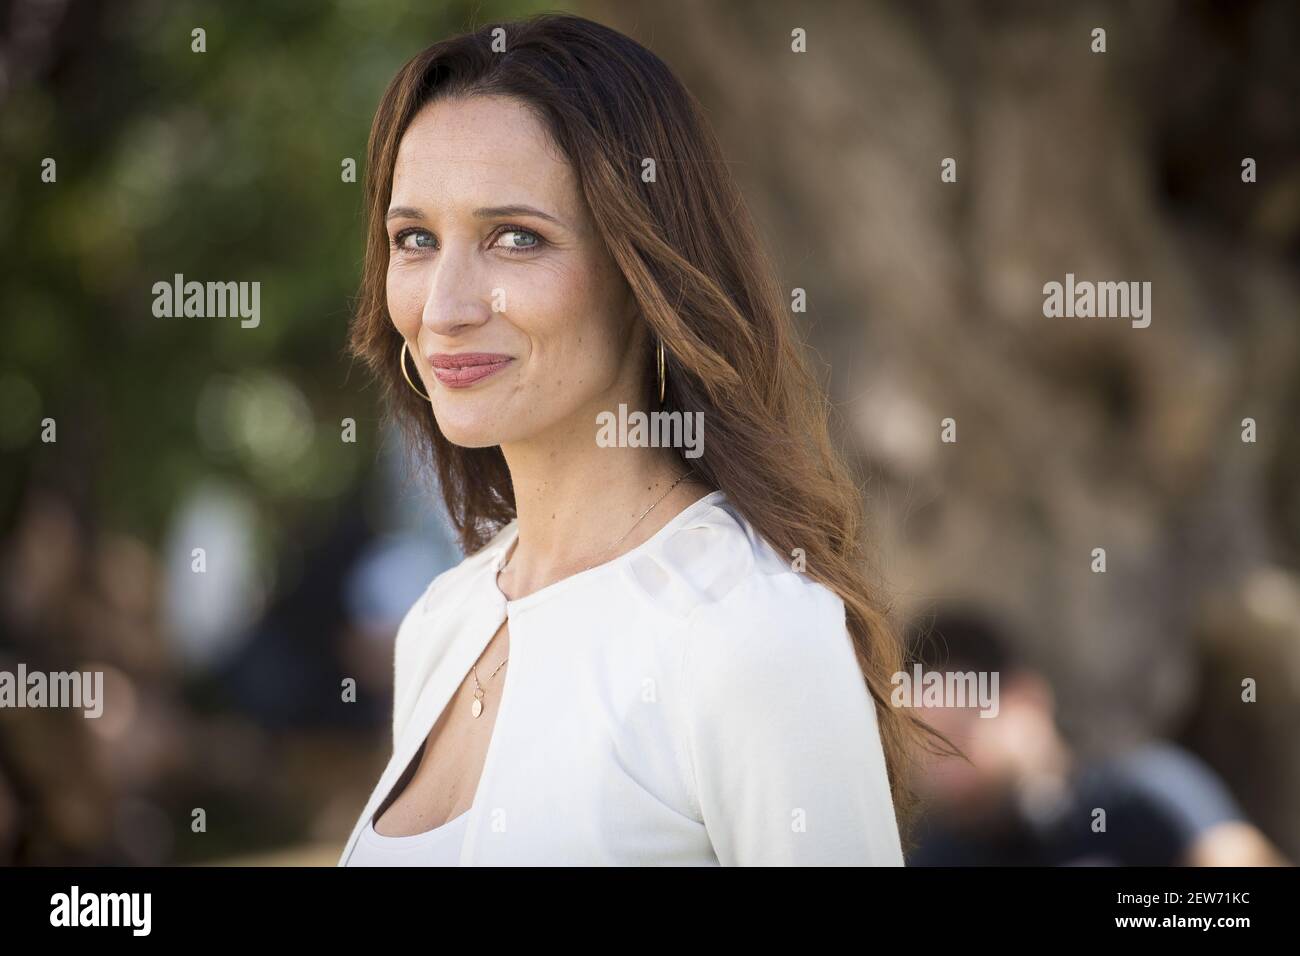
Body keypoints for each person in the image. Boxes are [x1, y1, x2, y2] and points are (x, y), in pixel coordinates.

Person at [335, 12, 937, 866]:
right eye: (416, 239)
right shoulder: (442, 620)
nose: (445, 306)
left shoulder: (751, 631)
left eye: (516, 238)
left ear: (640, 269)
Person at [905, 608, 1290, 866]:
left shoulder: (1148, 794)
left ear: (1026, 700)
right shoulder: (934, 854)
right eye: (926, 746)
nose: (945, 772)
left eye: (958, 735)